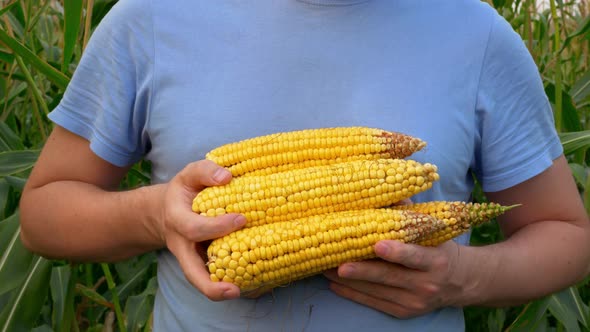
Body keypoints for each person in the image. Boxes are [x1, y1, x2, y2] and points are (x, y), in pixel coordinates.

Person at [19, 0, 590, 331]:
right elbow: (44, 214)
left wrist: (465, 279)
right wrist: (154, 216)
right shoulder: (149, 18)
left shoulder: (477, 32)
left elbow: (567, 235)